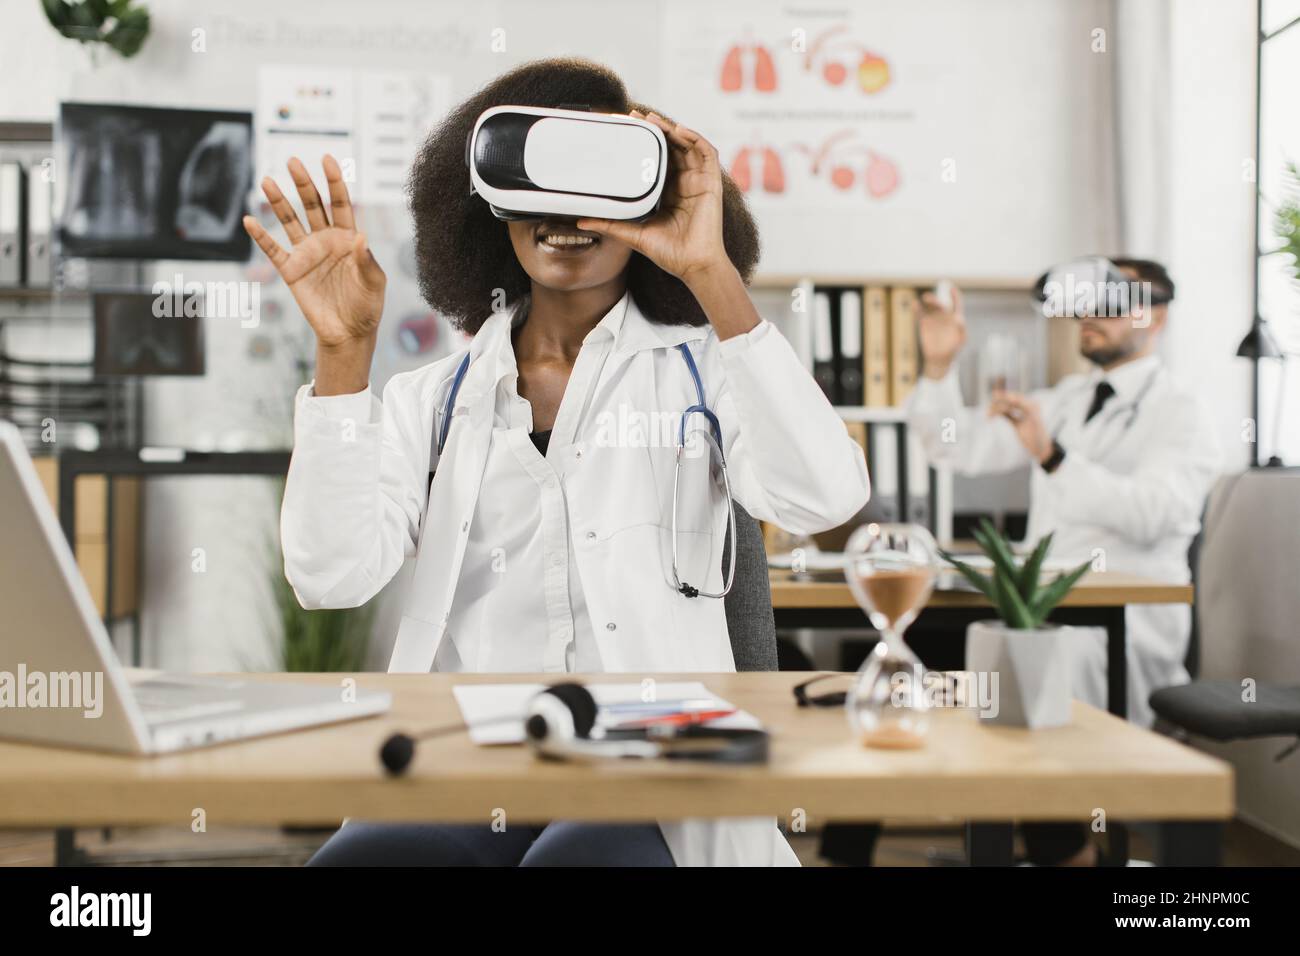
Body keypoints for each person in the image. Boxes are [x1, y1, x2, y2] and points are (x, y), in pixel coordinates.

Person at [243, 58, 870, 867]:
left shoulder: (706, 373)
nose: (564, 213)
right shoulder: (430, 401)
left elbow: (826, 497)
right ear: (491, 205)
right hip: (467, 760)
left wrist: (711, 272)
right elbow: (327, 575)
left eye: (597, 182)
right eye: (538, 181)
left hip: (654, 766)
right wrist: (341, 355)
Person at [905, 258, 1220, 865]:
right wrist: (940, 365)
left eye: (1110, 299)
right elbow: (953, 444)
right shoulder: (1068, 398)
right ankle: (865, 854)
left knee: (1017, 673)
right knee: (920, 652)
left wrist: (1052, 457)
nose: (1088, 314)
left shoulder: (1183, 411)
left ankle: (1061, 851)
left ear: (1154, 315)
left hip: (1119, 625)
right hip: (1043, 610)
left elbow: (1157, 512)